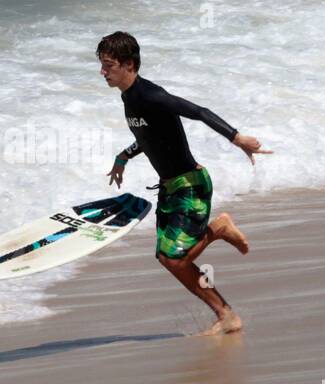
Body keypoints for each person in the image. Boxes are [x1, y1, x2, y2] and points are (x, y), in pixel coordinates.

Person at [97, 31, 269, 335]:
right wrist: (124, 156)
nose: (103, 72)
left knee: (174, 258)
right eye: (102, 65)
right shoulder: (128, 97)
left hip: (190, 185)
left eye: (109, 65)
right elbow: (148, 137)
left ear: (129, 65)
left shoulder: (151, 96)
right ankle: (226, 315)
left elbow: (199, 112)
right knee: (167, 258)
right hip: (171, 187)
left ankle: (219, 230)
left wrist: (237, 137)